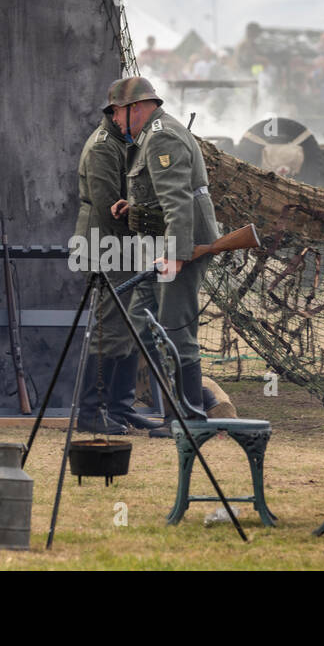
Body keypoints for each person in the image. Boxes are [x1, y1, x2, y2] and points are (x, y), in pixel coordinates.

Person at [105, 77, 219, 438]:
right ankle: (170, 411)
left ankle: (189, 418)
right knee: (144, 323)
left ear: (135, 107)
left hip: (175, 250)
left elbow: (178, 200)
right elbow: (159, 194)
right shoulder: (151, 136)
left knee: (175, 328)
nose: (115, 121)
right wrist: (134, 206)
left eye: (117, 113)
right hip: (156, 248)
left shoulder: (162, 136)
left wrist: (176, 254)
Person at [71, 99, 164, 435]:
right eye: (132, 111)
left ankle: (120, 408)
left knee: (128, 329)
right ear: (116, 112)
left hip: (124, 247)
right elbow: (109, 205)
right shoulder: (102, 148)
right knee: (108, 329)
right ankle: (91, 412)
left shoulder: (127, 143)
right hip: (105, 247)